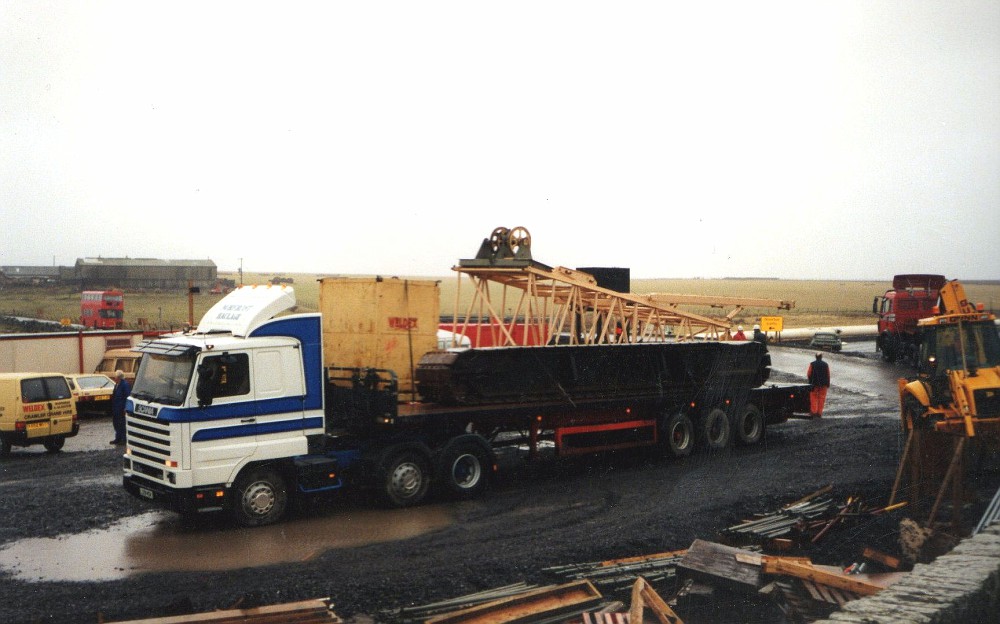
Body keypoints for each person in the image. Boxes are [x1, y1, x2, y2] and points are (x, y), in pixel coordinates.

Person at [109, 370, 131, 445]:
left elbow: (127, 396)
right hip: (116, 408)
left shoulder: (125, 385)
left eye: (115, 377)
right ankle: (118, 438)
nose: (114, 379)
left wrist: (125, 407)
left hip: (121, 408)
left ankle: (123, 439)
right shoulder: (116, 385)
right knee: (116, 423)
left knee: (122, 424)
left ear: (119, 377)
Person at [806, 352, 830, 418]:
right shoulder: (826, 364)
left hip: (814, 384)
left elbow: (809, 373)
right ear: (821, 357)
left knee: (813, 397)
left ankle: (814, 412)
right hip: (823, 385)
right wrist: (828, 384)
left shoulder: (812, 364)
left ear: (815, 357)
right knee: (822, 398)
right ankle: (819, 413)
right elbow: (828, 375)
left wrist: (810, 381)